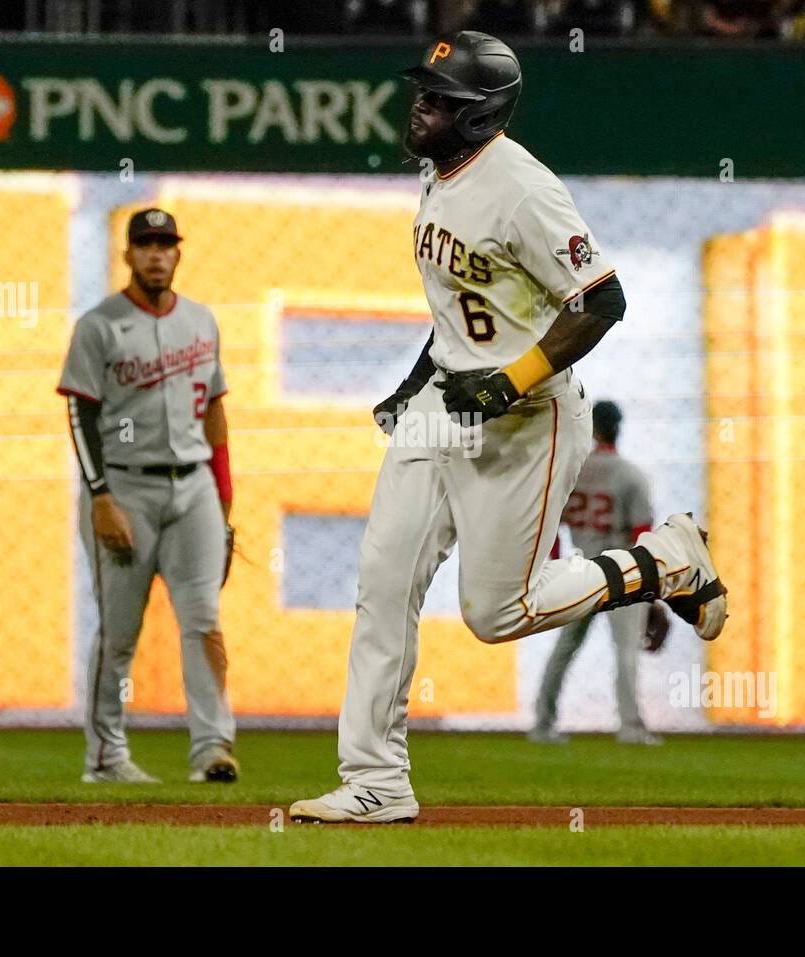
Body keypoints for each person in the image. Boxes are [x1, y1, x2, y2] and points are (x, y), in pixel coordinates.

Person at [289, 31, 726, 825]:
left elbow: (601, 301)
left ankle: (661, 560)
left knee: (497, 614)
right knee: (383, 586)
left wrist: (509, 381)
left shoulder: (521, 187)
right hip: (443, 409)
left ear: (483, 114)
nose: (421, 105)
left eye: (441, 98)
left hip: (530, 417)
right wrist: (413, 386)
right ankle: (376, 780)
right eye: (422, 90)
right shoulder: (439, 174)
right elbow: (462, 312)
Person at [56, 208, 238, 784]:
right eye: (146, 245)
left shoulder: (203, 321)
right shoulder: (99, 324)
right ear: (128, 254)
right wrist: (100, 495)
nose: (156, 254)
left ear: (178, 254)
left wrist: (225, 502)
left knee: (204, 620)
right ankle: (106, 756)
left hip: (195, 487)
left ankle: (213, 750)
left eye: (166, 244)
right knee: (119, 629)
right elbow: (78, 411)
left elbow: (215, 412)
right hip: (125, 486)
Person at [529, 400, 669, 746]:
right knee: (625, 653)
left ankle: (543, 725)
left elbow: (548, 528)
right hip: (622, 573)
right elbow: (641, 537)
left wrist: (555, 570)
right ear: (618, 427)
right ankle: (630, 728)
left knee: (564, 649)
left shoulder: (573, 471)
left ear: (593, 428)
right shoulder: (631, 474)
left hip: (580, 572)